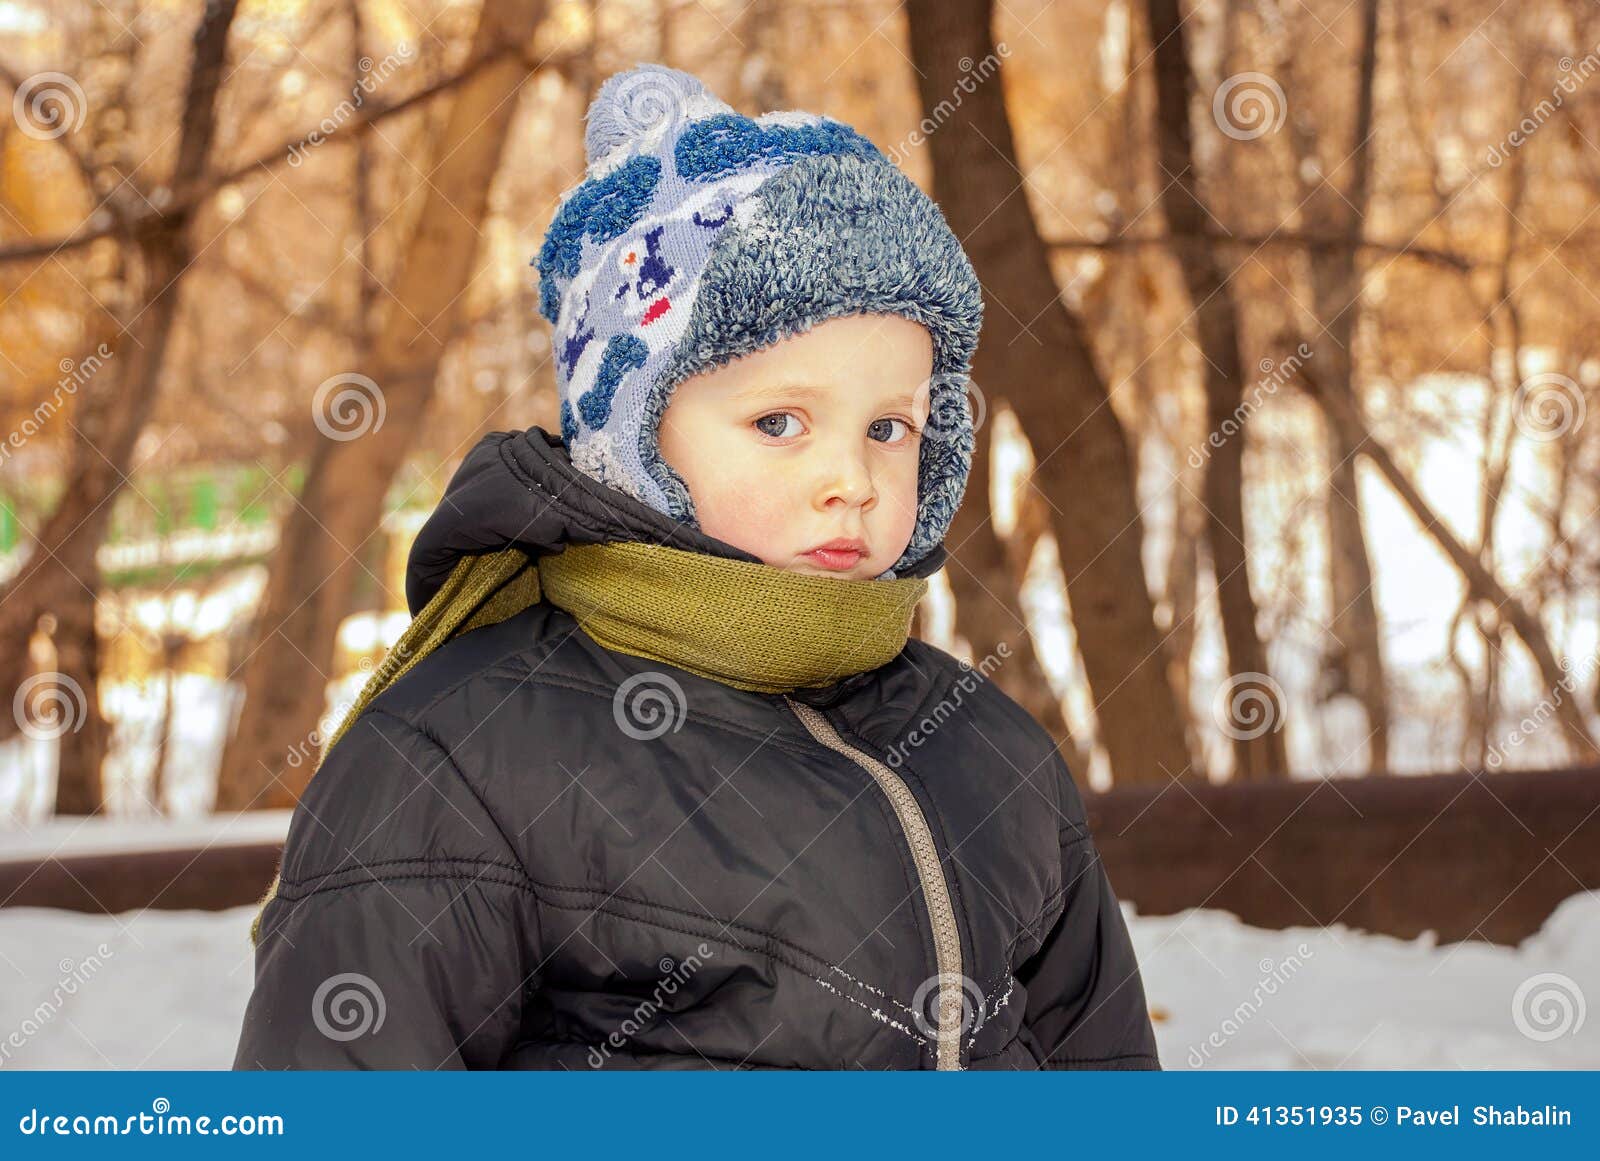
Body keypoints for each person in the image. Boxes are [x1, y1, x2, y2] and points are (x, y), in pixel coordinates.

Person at [233, 62, 1160, 1071]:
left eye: (890, 426)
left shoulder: (988, 750)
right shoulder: (459, 757)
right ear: (635, 436)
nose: (848, 476)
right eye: (777, 422)